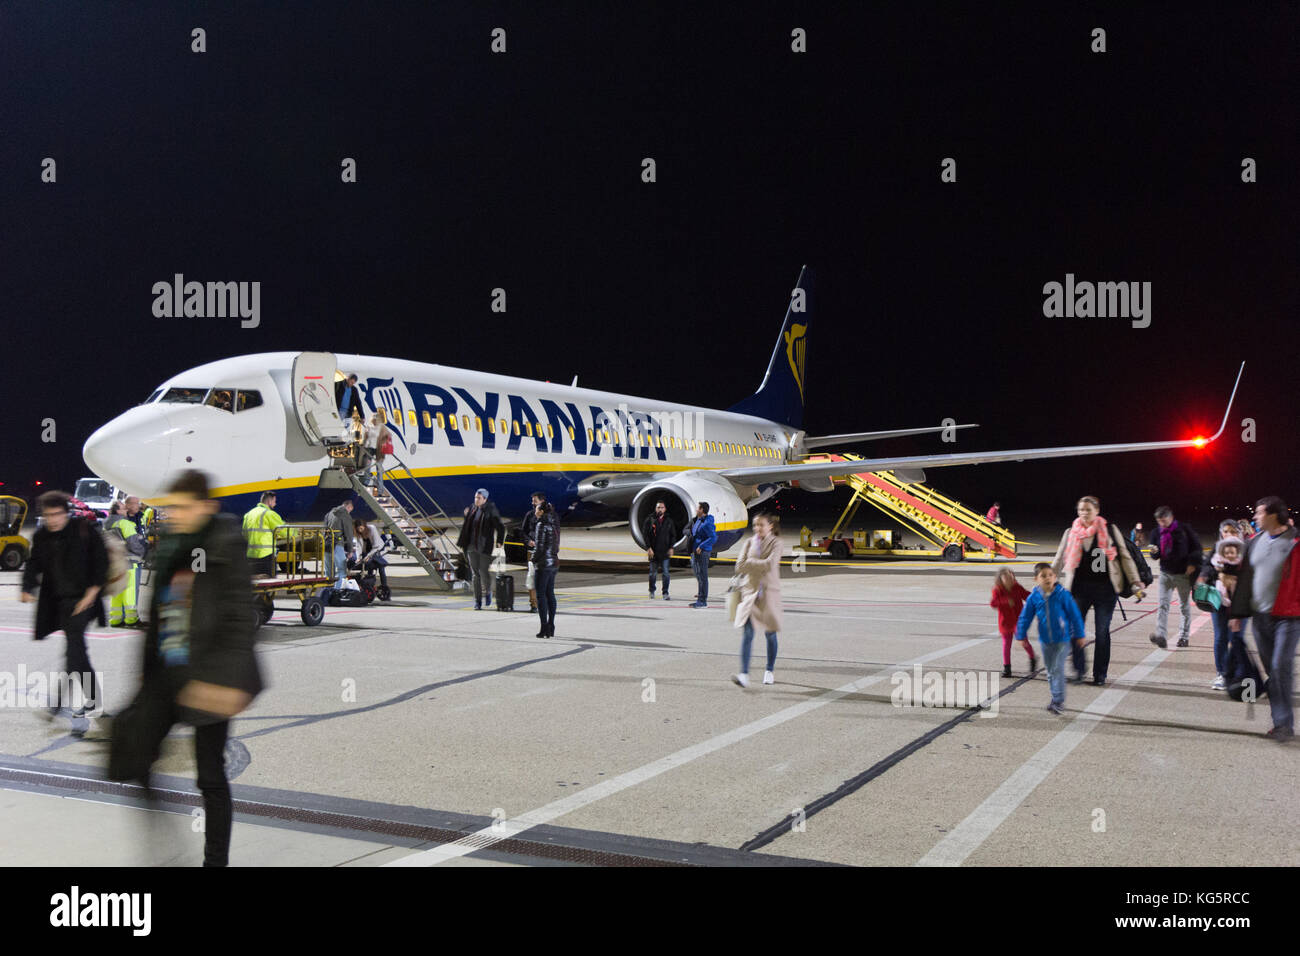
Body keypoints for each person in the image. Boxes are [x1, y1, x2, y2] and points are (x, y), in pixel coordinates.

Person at [126, 469, 263, 866]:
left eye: (184, 507)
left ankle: (214, 862)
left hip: (209, 677)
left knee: (210, 777)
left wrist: (226, 682)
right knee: (135, 758)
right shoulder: (171, 543)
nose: (176, 514)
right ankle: (165, 853)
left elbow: (240, 616)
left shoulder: (224, 543)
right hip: (167, 672)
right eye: (171, 507)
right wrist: (144, 667)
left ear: (207, 507)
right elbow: (159, 609)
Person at [21, 490, 108, 717]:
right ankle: (93, 701)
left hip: (84, 601)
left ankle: (58, 704)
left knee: (73, 650)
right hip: (59, 602)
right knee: (78, 651)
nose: (53, 519)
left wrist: (91, 594)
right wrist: (27, 587)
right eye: (48, 515)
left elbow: (101, 563)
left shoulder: (83, 530)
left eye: (57, 514)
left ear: (66, 513)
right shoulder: (42, 536)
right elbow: (33, 564)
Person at [1051, 496, 1145, 686]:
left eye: (1088, 509)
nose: (1084, 513)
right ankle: (1079, 670)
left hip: (1105, 590)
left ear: (1097, 511)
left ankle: (1099, 674)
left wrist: (1135, 582)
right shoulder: (1071, 532)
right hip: (1078, 589)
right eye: (1081, 510)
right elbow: (1059, 558)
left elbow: (1125, 557)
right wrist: (1046, 582)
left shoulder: (1109, 530)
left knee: (1102, 631)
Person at [1228, 496, 1299, 740]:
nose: (1255, 517)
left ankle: (1283, 725)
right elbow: (1245, 579)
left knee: (1280, 667)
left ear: (1273, 515)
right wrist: (1237, 614)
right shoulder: (1255, 541)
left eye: (1259, 513)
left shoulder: (1295, 541)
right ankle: (1280, 716)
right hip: (1260, 617)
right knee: (1272, 670)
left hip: (1288, 618)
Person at [1015, 563, 1086, 715]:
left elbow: (1075, 615)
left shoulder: (1063, 595)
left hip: (1063, 640)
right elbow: (1025, 617)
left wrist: (1080, 634)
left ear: (1055, 577)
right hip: (1045, 641)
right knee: (1050, 671)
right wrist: (1021, 635)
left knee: (1057, 668)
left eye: (1050, 575)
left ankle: (1059, 700)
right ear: (1036, 579)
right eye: (1043, 576)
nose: (1047, 578)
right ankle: (1055, 697)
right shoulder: (1034, 597)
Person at [731, 514, 784, 687]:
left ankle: (769, 670)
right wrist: (757, 563)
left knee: (770, 634)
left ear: (770, 526)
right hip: (749, 594)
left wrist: (751, 562)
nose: (757, 528)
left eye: (761, 525)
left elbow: (771, 564)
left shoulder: (777, 543)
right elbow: (739, 566)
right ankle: (744, 674)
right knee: (747, 633)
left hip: (769, 593)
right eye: (755, 525)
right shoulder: (749, 542)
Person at [1198, 521, 1245, 689]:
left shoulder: (1246, 551)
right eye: (1225, 531)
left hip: (1240, 601)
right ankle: (1222, 673)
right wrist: (1216, 573)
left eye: (1233, 531)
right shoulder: (1216, 550)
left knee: (1237, 638)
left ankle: (1237, 673)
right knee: (1220, 637)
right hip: (1219, 599)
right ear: (1221, 533)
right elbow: (1205, 568)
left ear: (1239, 533)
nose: (1229, 534)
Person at [1148, 506, 1203, 649]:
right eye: (1159, 521)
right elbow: (1155, 555)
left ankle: (1184, 637)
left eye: (1164, 520)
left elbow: (1197, 548)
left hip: (1182, 574)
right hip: (1165, 573)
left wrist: (1192, 563)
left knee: (1184, 606)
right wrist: (1154, 552)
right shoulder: (1156, 532)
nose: (1162, 524)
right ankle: (1161, 636)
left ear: (1171, 517)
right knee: (1162, 605)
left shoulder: (1184, 530)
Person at [456, 488, 504, 610]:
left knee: (483, 572)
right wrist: (465, 515)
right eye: (475, 497)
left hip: (483, 547)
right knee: (475, 574)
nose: (476, 500)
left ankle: (488, 591)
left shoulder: (490, 510)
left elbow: (500, 526)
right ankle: (477, 601)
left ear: (485, 499)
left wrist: (499, 541)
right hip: (471, 546)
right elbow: (468, 525)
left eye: (479, 498)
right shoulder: (472, 508)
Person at [102, 501, 142, 627]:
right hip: (129, 562)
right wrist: (143, 552)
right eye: (124, 508)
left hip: (113, 563)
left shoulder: (105, 524)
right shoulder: (125, 523)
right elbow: (134, 544)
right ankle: (131, 619)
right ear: (118, 511)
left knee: (117, 590)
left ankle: (115, 619)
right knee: (130, 590)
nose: (126, 510)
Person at [990, 568, 1036, 678]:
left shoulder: (1017, 587)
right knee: (1006, 644)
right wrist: (1005, 601)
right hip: (1005, 622)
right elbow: (993, 603)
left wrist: (1036, 596)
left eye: (1011, 578)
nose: (1009, 580)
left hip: (1018, 621)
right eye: (1006, 578)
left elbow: (1026, 595)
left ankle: (1032, 658)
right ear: (1000, 580)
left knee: (1024, 641)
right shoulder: (997, 590)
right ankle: (1007, 668)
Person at [532, 501, 560, 638]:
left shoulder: (541, 525)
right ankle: (551, 625)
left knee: (540, 595)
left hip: (543, 565)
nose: (535, 511)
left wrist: (532, 559)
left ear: (541, 512)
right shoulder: (554, 524)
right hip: (554, 563)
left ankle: (544, 627)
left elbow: (539, 547)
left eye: (537, 509)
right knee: (550, 594)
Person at [242, 491, 285, 578]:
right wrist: (296, 532)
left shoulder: (248, 514)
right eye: (274, 501)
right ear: (269, 501)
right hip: (266, 556)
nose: (275, 504)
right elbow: (284, 531)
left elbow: (244, 534)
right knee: (269, 584)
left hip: (251, 556)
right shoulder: (269, 514)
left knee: (255, 585)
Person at [643, 500, 677, 600]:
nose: (660, 509)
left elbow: (673, 535)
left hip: (665, 551)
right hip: (653, 552)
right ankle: (652, 591)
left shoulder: (669, 521)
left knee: (666, 574)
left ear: (665, 509)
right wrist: (648, 548)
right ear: (655, 509)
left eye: (662, 507)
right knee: (652, 574)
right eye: (658, 507)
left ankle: (665, 592)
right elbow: (645, 535)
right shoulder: (650, 519)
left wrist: (671, 547)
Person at [688, 502, 717, 608]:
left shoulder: (707, 523)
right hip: (695, 552)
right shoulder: (698, 520)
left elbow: (713, 537)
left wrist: (702, 546)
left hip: (703, 552)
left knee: (703, 577)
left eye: (698, 508)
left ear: (702, 510)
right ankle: (700, 599)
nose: (696, 510)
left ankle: (703, 601)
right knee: (699, 576)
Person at [521, 492, 546, 613]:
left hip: (545, 553)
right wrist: (528, 541)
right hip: (531, 551)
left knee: (544, 578)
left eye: (535, 500)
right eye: (532, 501)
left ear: (542, 501)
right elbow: (523, 532)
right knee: (531, 577)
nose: (532, 503)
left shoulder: (549, 516)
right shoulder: (529, 515)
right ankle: (534, 604)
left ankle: (544, 603)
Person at [356, 519, 392, 598]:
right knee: (369, 568)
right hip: (368, 551)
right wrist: (358, 557)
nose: (360, 530)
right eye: (358, 529)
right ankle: (369, 587)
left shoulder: (372, 528)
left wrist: (369, 556)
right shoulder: (359, 533)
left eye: (361, 528)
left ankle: (384, 587)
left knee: (381, 568)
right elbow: (358, 546)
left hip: (378, 550)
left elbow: (376, 545)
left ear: (365, 526)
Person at [323, 499, 355, 589]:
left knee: (329, 571)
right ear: (349, 507)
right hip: (337, 544)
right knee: (341, 569)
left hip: (326, 544)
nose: (349, 512)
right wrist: (350, 550)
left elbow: (324, 529)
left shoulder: (329, 513)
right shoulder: (345, 515)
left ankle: (327, 592)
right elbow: (349, 534)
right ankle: (338, 591)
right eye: (350, 510)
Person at [365, 410, 392, 493]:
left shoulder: (382, 427)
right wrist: (364, 444)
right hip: (370, 448)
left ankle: (380, 489)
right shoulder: (369, 426)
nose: (374, 421)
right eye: (373, 420)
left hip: (379, 450)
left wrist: (383, 442)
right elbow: (366, 437)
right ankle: (366, 480)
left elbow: (389, 435)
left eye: (375, 420)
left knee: (379, 468)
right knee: (367, 465)